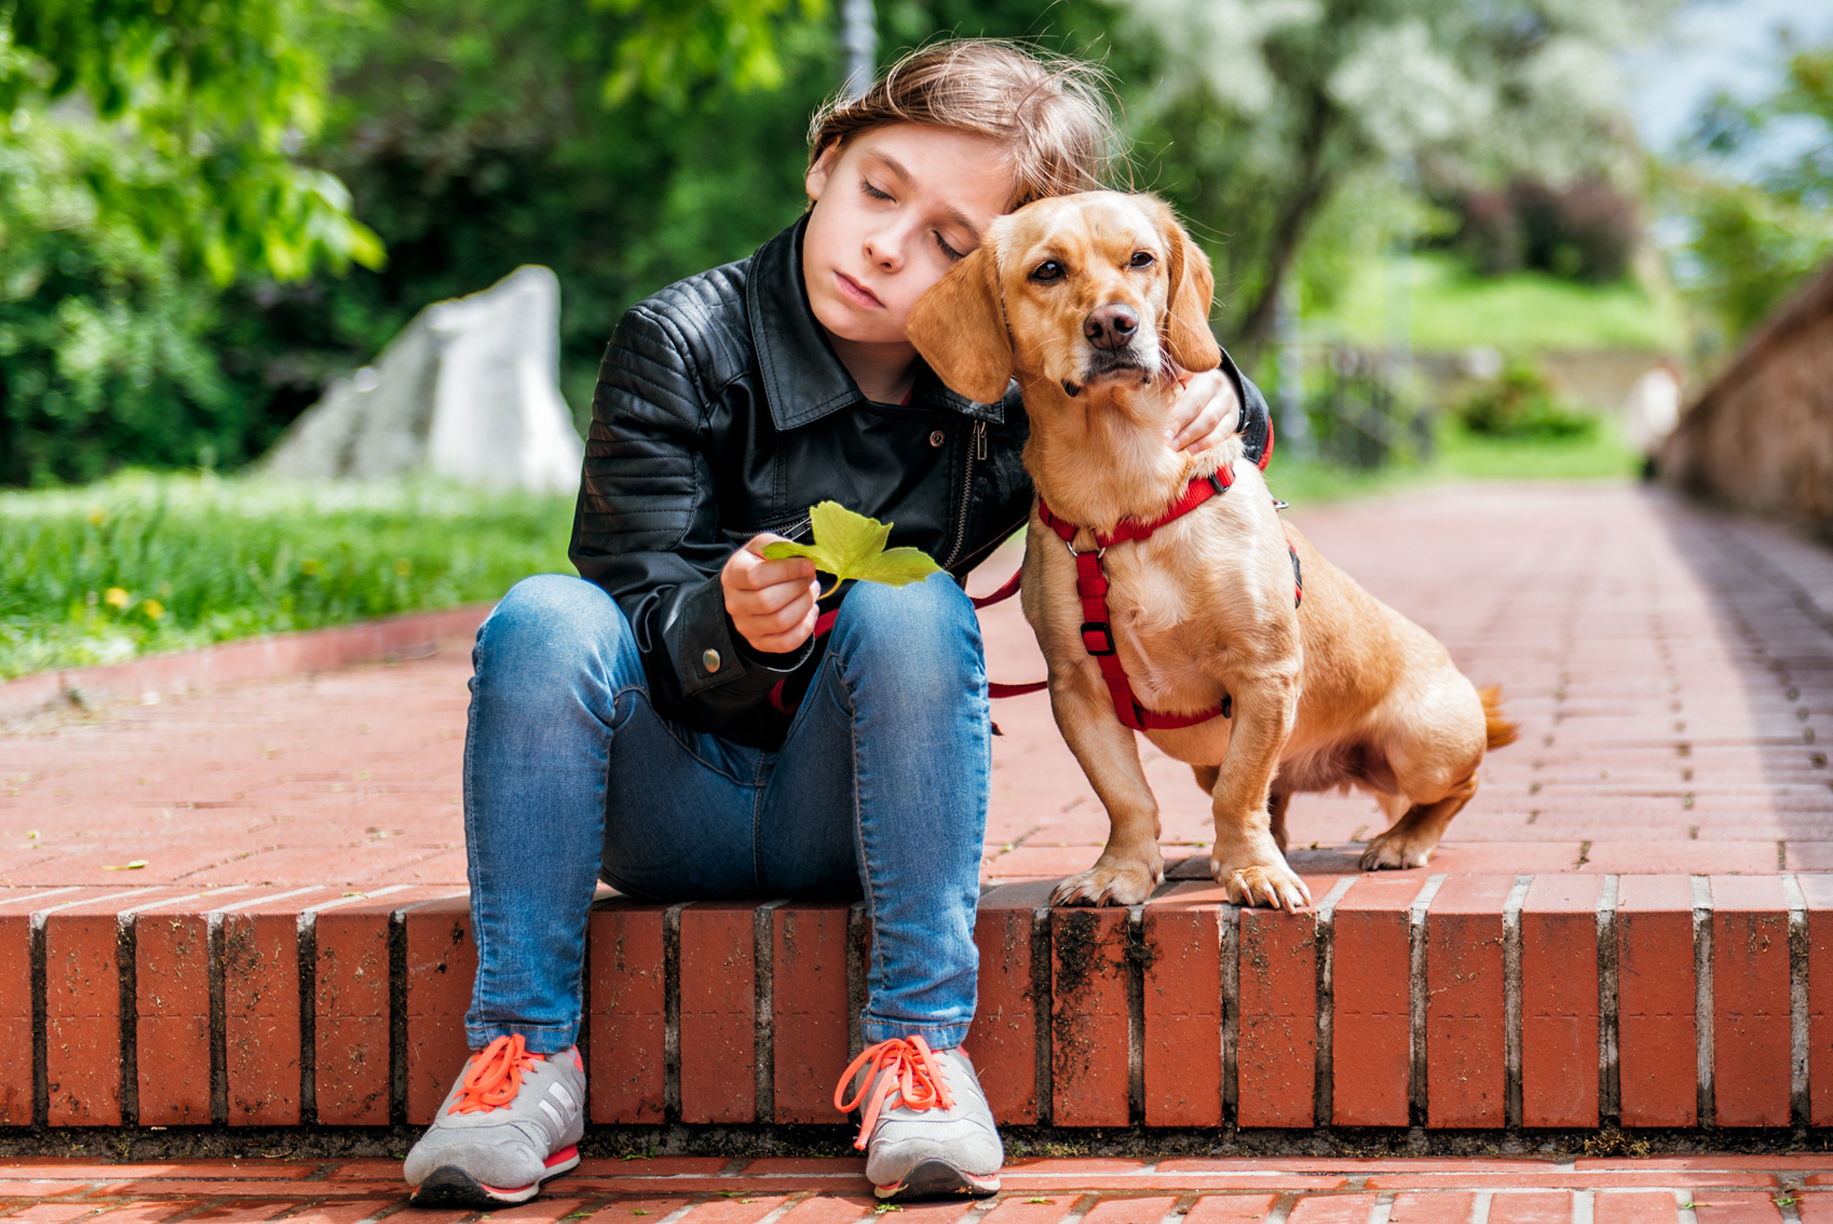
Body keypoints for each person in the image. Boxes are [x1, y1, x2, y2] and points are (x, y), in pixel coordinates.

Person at [400, 39, 1272, 1204]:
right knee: (542, 617)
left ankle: (920, 1049)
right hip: (661, 800)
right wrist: (723, 625)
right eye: (877, 191)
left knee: (914, 600)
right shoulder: (680, 338)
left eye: (952, 243)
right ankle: (521, 1058)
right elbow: (623, 594)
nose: (888, 248)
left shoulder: (1012, 386)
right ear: (824, 161)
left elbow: (1166, 357)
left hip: (853, 807)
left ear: (996, 279)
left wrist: (1225, 393)